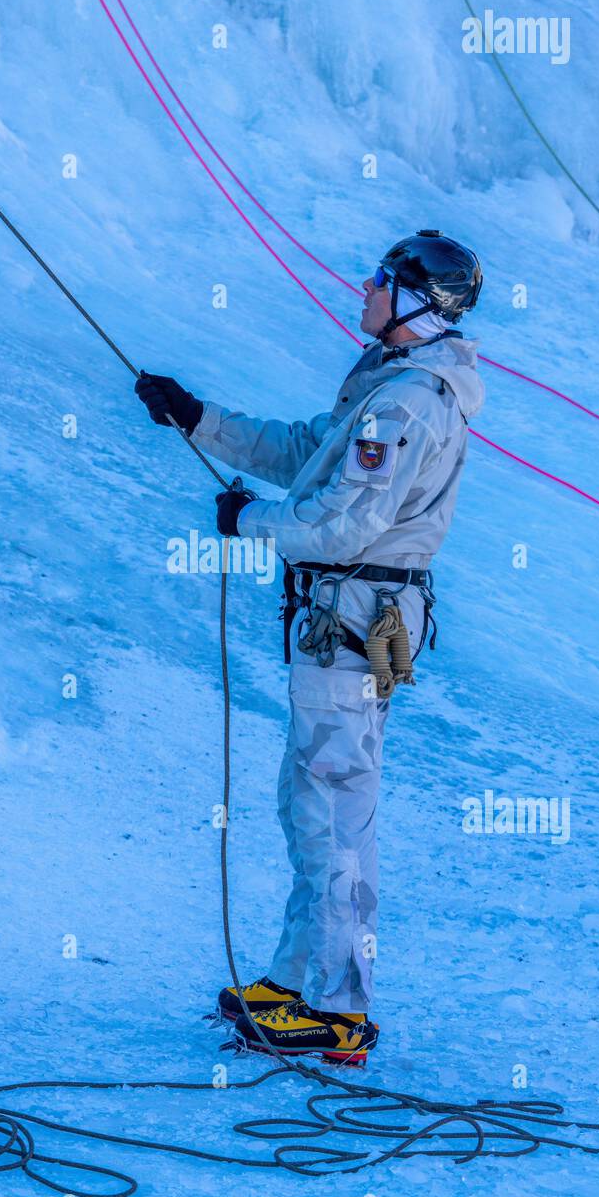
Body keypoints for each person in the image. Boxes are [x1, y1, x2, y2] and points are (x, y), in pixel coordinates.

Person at [135, 230, 484, 1063]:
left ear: (416, 304)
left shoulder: (408, 402)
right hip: (353, 620)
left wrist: (248, 522)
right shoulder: (391, 385)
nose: (365, 287)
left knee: (329, 803)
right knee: (319, 798)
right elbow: (309, 457)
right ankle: (300, 981)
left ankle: (335, 1006)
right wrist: (199, 420)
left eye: (382, 279)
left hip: (350, 620)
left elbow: (345, 519)